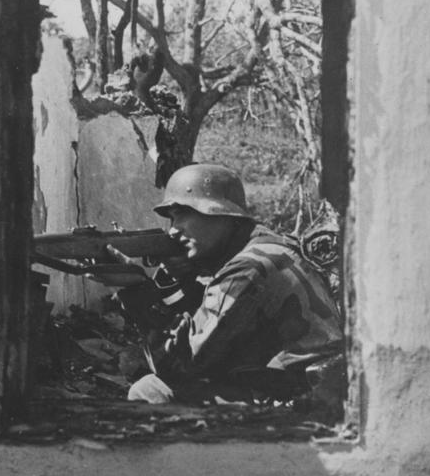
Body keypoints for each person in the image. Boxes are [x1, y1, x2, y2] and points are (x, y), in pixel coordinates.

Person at [96, 163, 343, 405]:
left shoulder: (247, 269)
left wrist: (136, 292)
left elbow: (178, 365)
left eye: (184, 214)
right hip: (316, 385)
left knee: (152, 390)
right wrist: (182, 279)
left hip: (299, 401)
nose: (173, 230)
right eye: (171, 219)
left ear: (222, 214)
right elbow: (206, 325)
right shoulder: (268, 245)